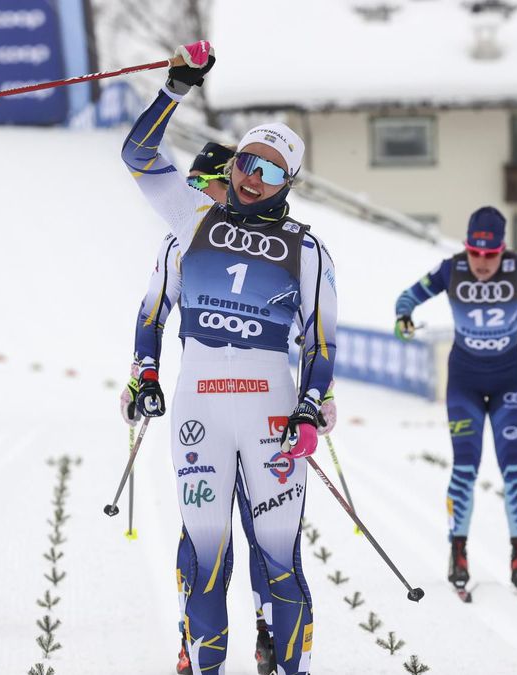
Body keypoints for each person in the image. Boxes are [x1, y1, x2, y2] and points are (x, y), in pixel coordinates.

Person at [119, 41, 337, 675]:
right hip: (201, 413)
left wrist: (308, 409)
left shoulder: (307, 250)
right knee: (206, 556)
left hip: (271, 417)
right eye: (246, 162)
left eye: (268, 172)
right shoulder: (191, 218)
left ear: (287, 182)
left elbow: (321, 343)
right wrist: (176, 85)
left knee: (278, 560)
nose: (249, 178)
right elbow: (139, 155)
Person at [393, 207, 517, 598]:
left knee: (513, 466)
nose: (481, 263)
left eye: (489, 254)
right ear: (466, 248)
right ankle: (457, 553)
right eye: (474, 254)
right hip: (465, 381)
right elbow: (407, 297)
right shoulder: (451, 269)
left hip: (510, 378)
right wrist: (403, 317)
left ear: (502, 249)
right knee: (465, 467)